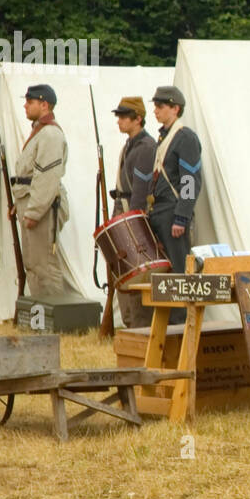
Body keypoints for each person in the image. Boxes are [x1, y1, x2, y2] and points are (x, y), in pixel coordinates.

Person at [11, 83, 73, 297]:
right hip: (30, 203)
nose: (25, 106)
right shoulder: (40, 132)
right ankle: (42, 318)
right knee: (34, 265)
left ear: (44, 104)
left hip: (41, 208)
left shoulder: (50, 135)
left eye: (30, 101)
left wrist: (34, 212)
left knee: (44, 266)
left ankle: (53, 317)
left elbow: (47, 178)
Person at [147, 86, 203, 325]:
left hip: (173, 211)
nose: (155, 111)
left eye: (160, 106)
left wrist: (182, 215)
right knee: (166, 273)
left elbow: (190, 181)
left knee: (180, 270)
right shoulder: (165, 137)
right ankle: (169, 320)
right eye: (156, 106)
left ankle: (182, 323)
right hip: (160, 211)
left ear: (175, 108)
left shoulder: (185, 137)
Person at [108, 95, 156, 328]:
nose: (119, 121)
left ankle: (139, 326)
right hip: (122, 212)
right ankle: (130, 323)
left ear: (138, 119)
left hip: (131, 215)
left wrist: (134, 222)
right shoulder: (130, 145)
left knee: (136, 270)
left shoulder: (146, 147)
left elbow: (141, 188)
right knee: (122, 270)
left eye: (123, 116)